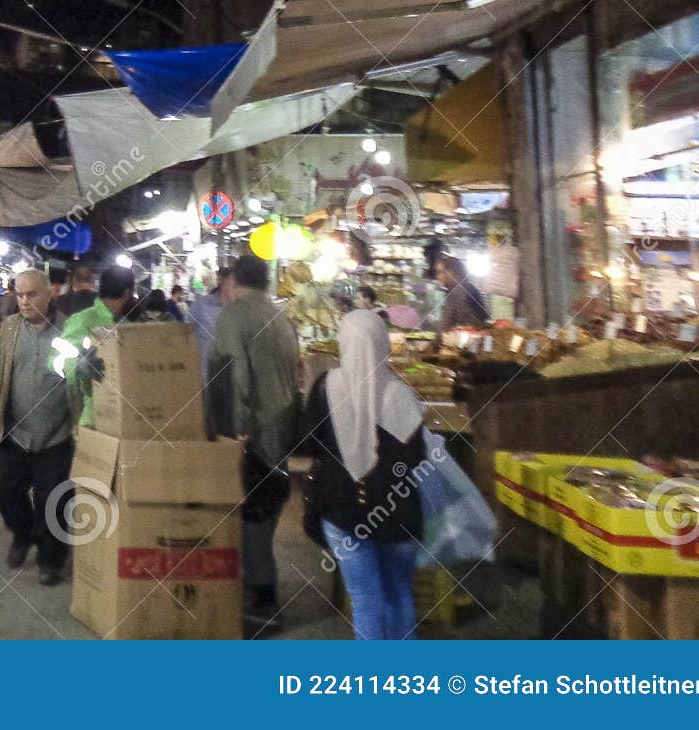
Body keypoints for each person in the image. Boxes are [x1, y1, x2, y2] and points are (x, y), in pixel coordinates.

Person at [302, 308, 426, 640]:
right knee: (399, 595)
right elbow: (418, 457)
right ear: (382, 344)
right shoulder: (401, 395)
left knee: (365, 601)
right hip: (397, 515)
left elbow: (310, 444)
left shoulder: (325, 388)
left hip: (341, 512)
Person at [206, 251, 301, 635]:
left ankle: (264, 601)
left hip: (256, 433)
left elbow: (235, 379)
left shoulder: (234, 316)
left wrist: (234, 434)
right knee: (266, 509)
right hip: (283, 429)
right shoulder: (281, 318)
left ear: (233, 281)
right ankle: (260, 592)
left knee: (254, 517)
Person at [0, 268, 77, 585]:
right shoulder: (7, 331)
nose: (24, 301)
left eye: (31, 294)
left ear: (49, 293)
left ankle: (51, 560)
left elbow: (86, 380)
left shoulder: (70, 331)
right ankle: (23, 533)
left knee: (54, 500)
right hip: (15, 432)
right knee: (2, 486)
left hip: (57, 434)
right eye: (19, 295)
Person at [60, 265, 137, 426]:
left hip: (129, 417)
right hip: (94, 418)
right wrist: (80, 365)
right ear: (126, 293)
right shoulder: (83, 319)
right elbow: (57, 360)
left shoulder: (126, 323)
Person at [186, 265, 231, 369]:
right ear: (221, 281)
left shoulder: (241, 310)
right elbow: (185, 334)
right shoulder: (202, 306)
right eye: (231, 283)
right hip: (205, 372)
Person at [437, 255, 489, 328]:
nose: (438, 277)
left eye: (440, 272)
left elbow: (446, 323)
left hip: (465, 334)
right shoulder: (468, 287)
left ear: (451, 272)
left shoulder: (457, 292)